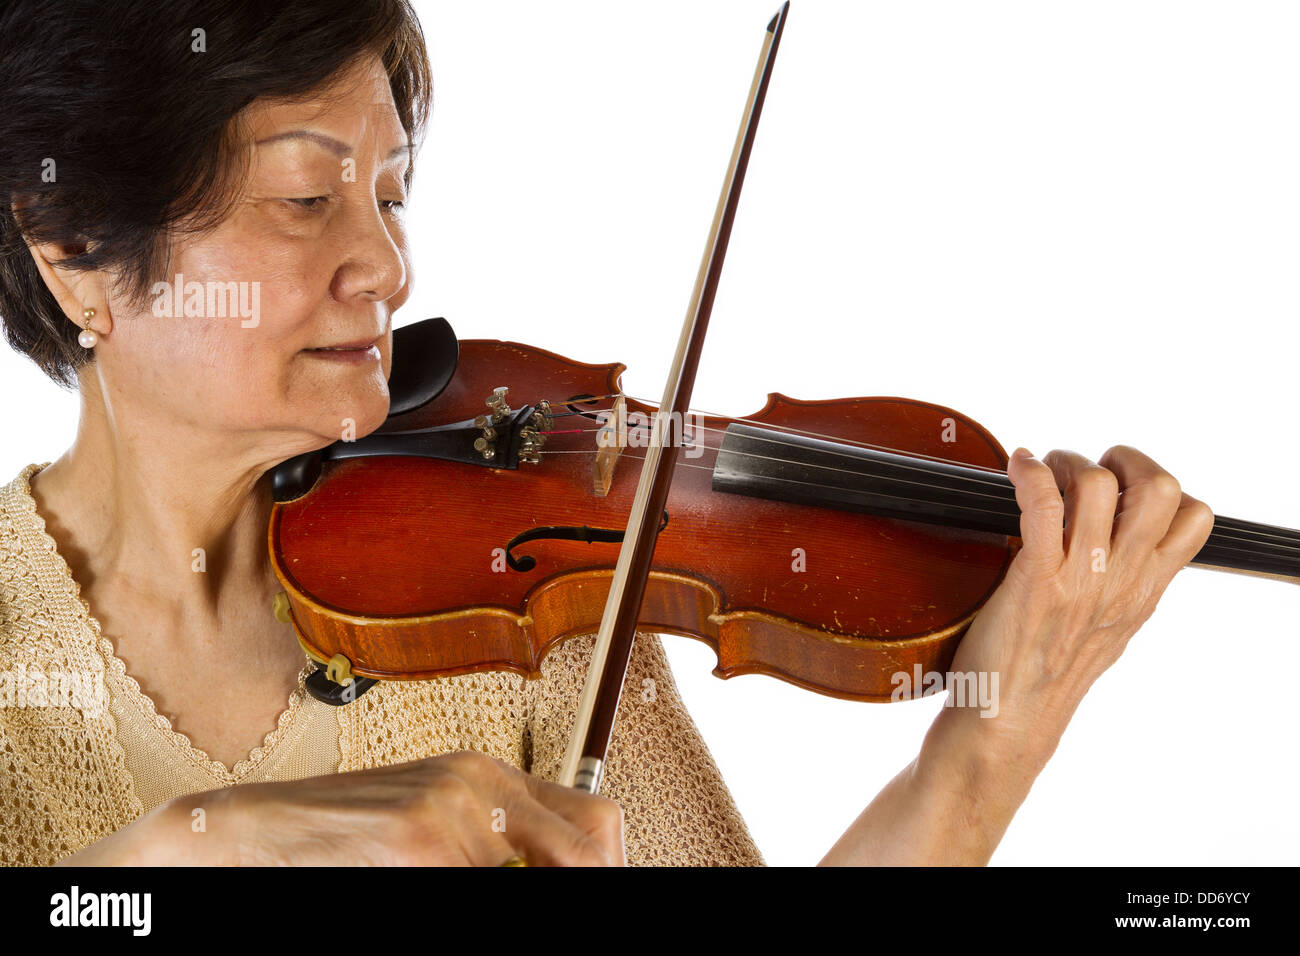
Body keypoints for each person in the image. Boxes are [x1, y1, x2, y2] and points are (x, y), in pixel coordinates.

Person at [0, 0, 1213, 866]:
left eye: (390, 194)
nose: (388, 264)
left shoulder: (514, 584)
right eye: (305, 198)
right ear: (73, 250)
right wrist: (186, 844)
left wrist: (989, 745)